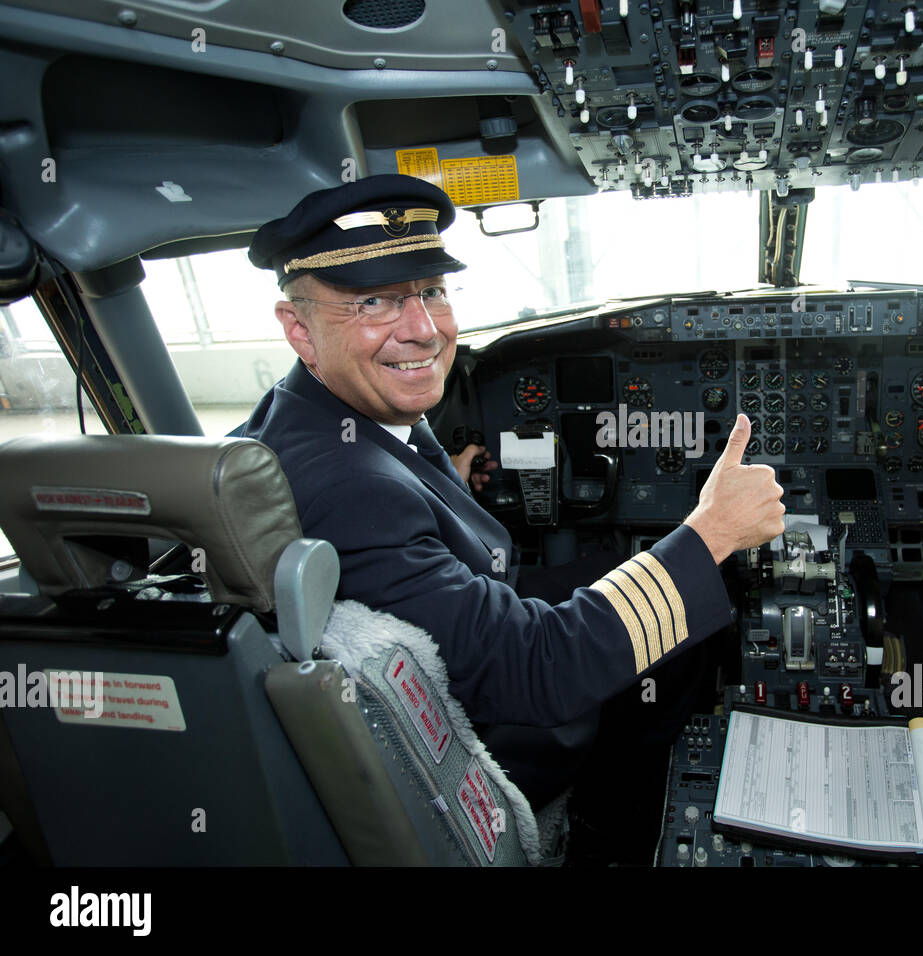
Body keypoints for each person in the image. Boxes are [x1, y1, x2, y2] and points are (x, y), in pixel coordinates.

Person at [241, 174, 785, 840]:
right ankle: (618, 817)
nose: (424, 331)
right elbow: (537, 668)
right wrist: (712, 531)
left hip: (475, 627)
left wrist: (445, 487)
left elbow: (396, 513)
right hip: (500, 728)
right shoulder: (348, 489)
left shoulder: (306, 414)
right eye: (373, 303)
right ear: (298, 328)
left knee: (623, 561)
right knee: (686, 620)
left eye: (432, 291)